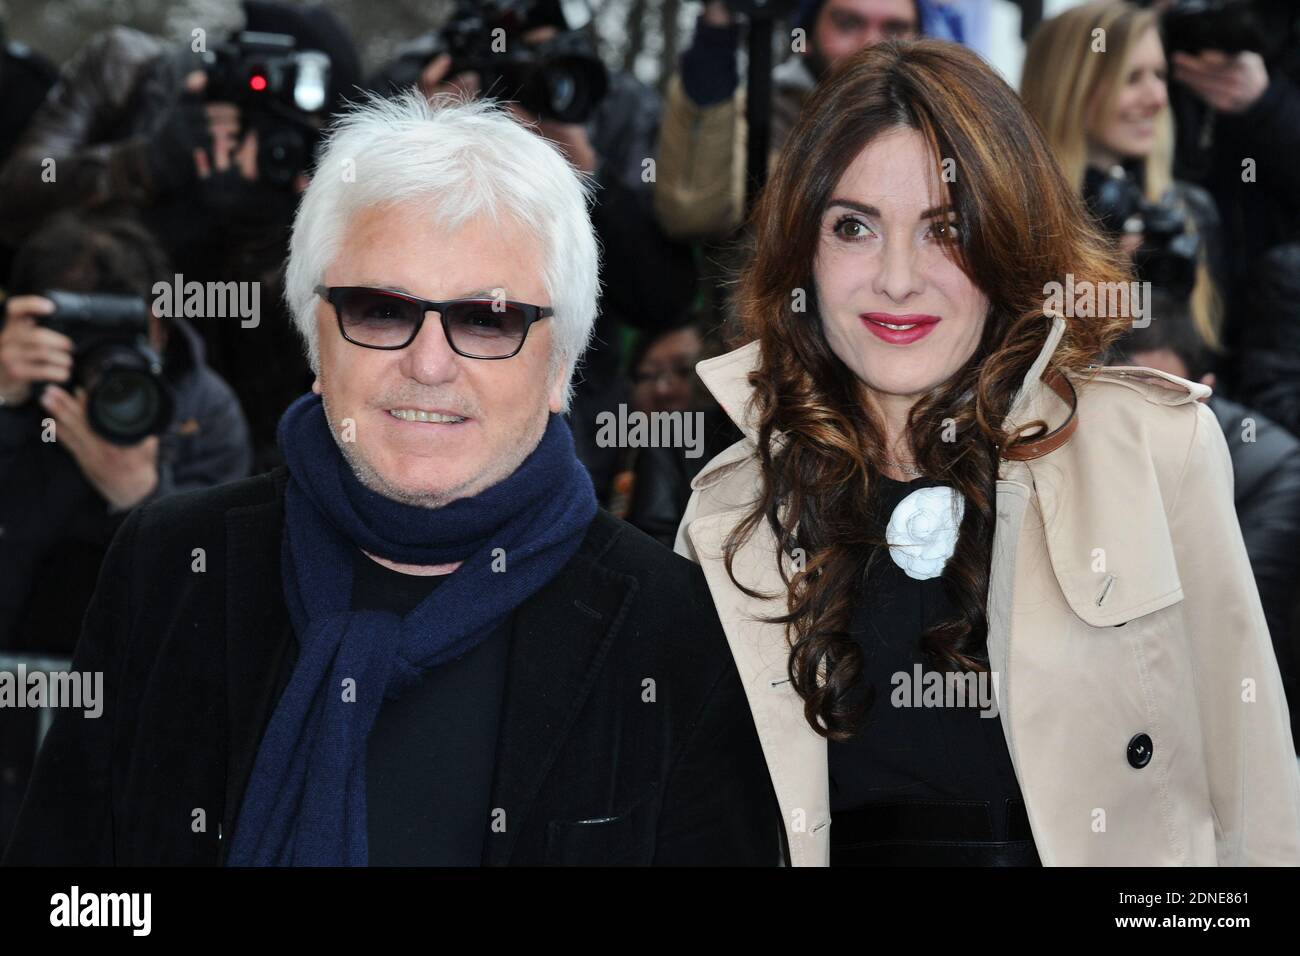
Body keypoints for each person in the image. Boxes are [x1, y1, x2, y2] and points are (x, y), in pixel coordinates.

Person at [1, 92, 780, 867]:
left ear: (562, 365)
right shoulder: (170, 567)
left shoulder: (676, 633)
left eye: (487, 318)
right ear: (317, 340)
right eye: (379, 310)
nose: (429, 364)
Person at [676, 39, 1300, 866]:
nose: (898, 280)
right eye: (854, 227)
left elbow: (1255, 797)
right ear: (802, 253)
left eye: (945, 229)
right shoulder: (730, 514)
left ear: (1009, 238)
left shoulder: (1150, 448)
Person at [0, 213, 252, 656]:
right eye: (82, 334)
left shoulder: (204, 408)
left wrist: (145, 498)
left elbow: (221, 594)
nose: (103, 357)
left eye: (125, 331)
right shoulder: (13, 380)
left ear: (160, 323)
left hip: (132, 681)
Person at [1105, 290, 1300, 753]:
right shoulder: (1068, 456)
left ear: (1204, 392)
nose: (1141, 424)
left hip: (1233, 732)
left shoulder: (1273, 469)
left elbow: (1233, 633)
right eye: (1121, 401)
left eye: (1163, 398)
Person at [1021, 1, 1224, 353]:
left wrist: (1163, 299)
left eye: (1160, 75)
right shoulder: (1013, 214)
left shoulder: (1189, 210)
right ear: (1069, 87)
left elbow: (1207, 365)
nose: (1157, 98)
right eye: (1131, 78)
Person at [654, 0, 921, 242]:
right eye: (847, 23)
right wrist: (718, 27)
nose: (871, 43)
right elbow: (693, 214)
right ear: (805, 37)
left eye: (894, 28)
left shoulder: (942, 124)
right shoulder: (759, 116)